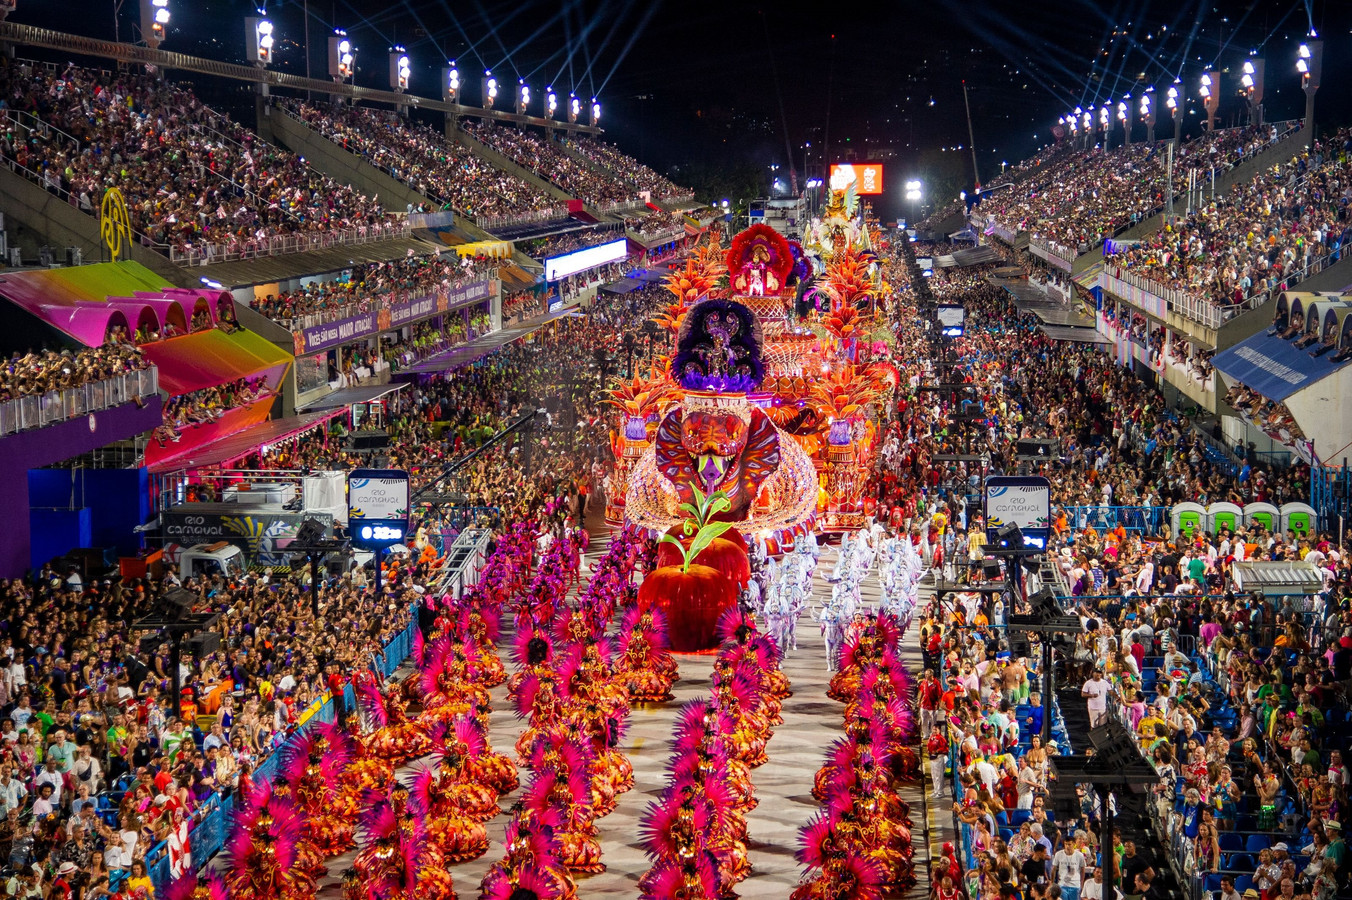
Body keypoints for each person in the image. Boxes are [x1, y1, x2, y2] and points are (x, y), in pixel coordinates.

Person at [1052, 830, 1088, 900]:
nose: (1067, 846)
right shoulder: (1058, 854)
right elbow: (1053, 869)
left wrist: (1082, 883)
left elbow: (1082, 870)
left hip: (1075, 885)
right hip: (1062, 885)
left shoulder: (1079, 855)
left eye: (1069, 844)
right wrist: (1052, 882)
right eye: (1065, 844)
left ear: (1074, 844)